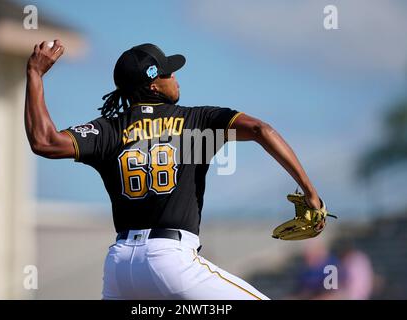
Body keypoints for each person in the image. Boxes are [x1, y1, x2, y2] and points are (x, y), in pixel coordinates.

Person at [25, 40, 322, 300]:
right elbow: (261, 129)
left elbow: (44, 141)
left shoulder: (109, 129)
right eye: (168, 72)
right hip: (170, 260)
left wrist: (35, 74)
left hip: (120, 267)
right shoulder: (197, 120)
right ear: (153, 84)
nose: (175, 77)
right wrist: (310, 192)